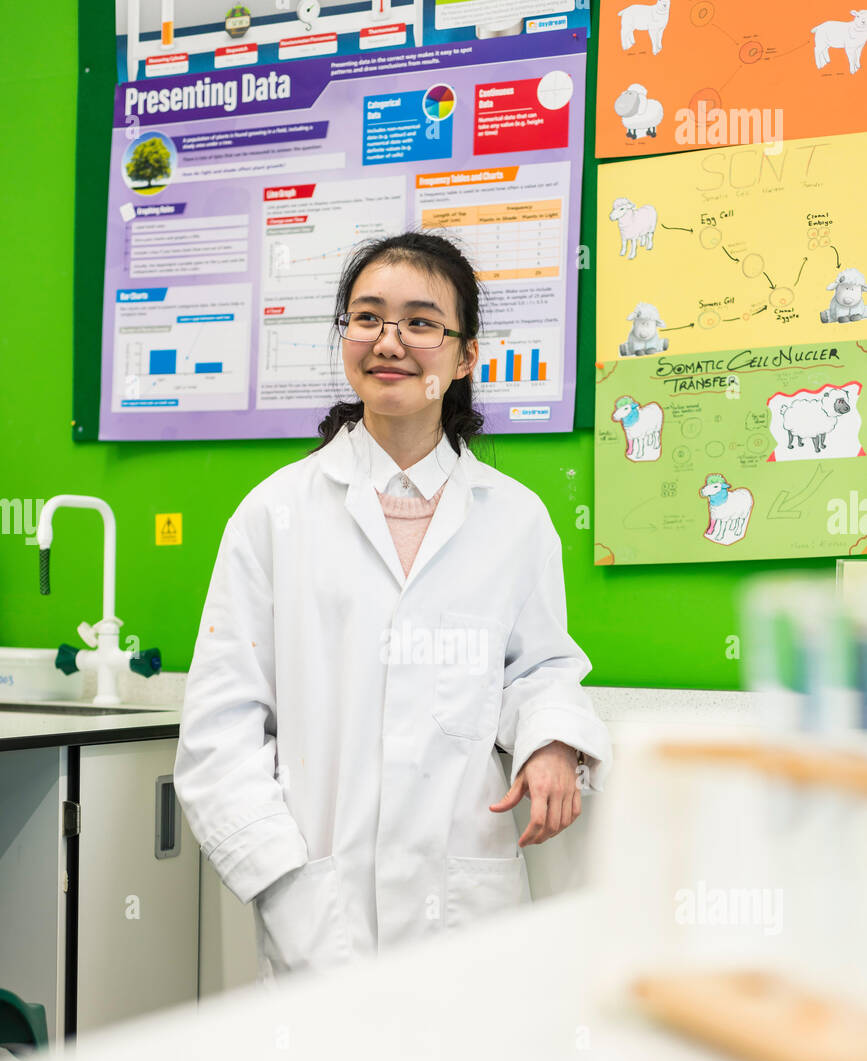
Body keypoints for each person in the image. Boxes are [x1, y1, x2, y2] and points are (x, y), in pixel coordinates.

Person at [173, 231, 612, 978]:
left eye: (420, 322)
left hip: (464, 899)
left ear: (465, 354)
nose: (389, 342)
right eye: (367, 318)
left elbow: (534, 667)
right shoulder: (275, 512)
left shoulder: (513, 517)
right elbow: (221, 723)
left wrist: (551, 740)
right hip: (319, 903)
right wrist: (281, 877)